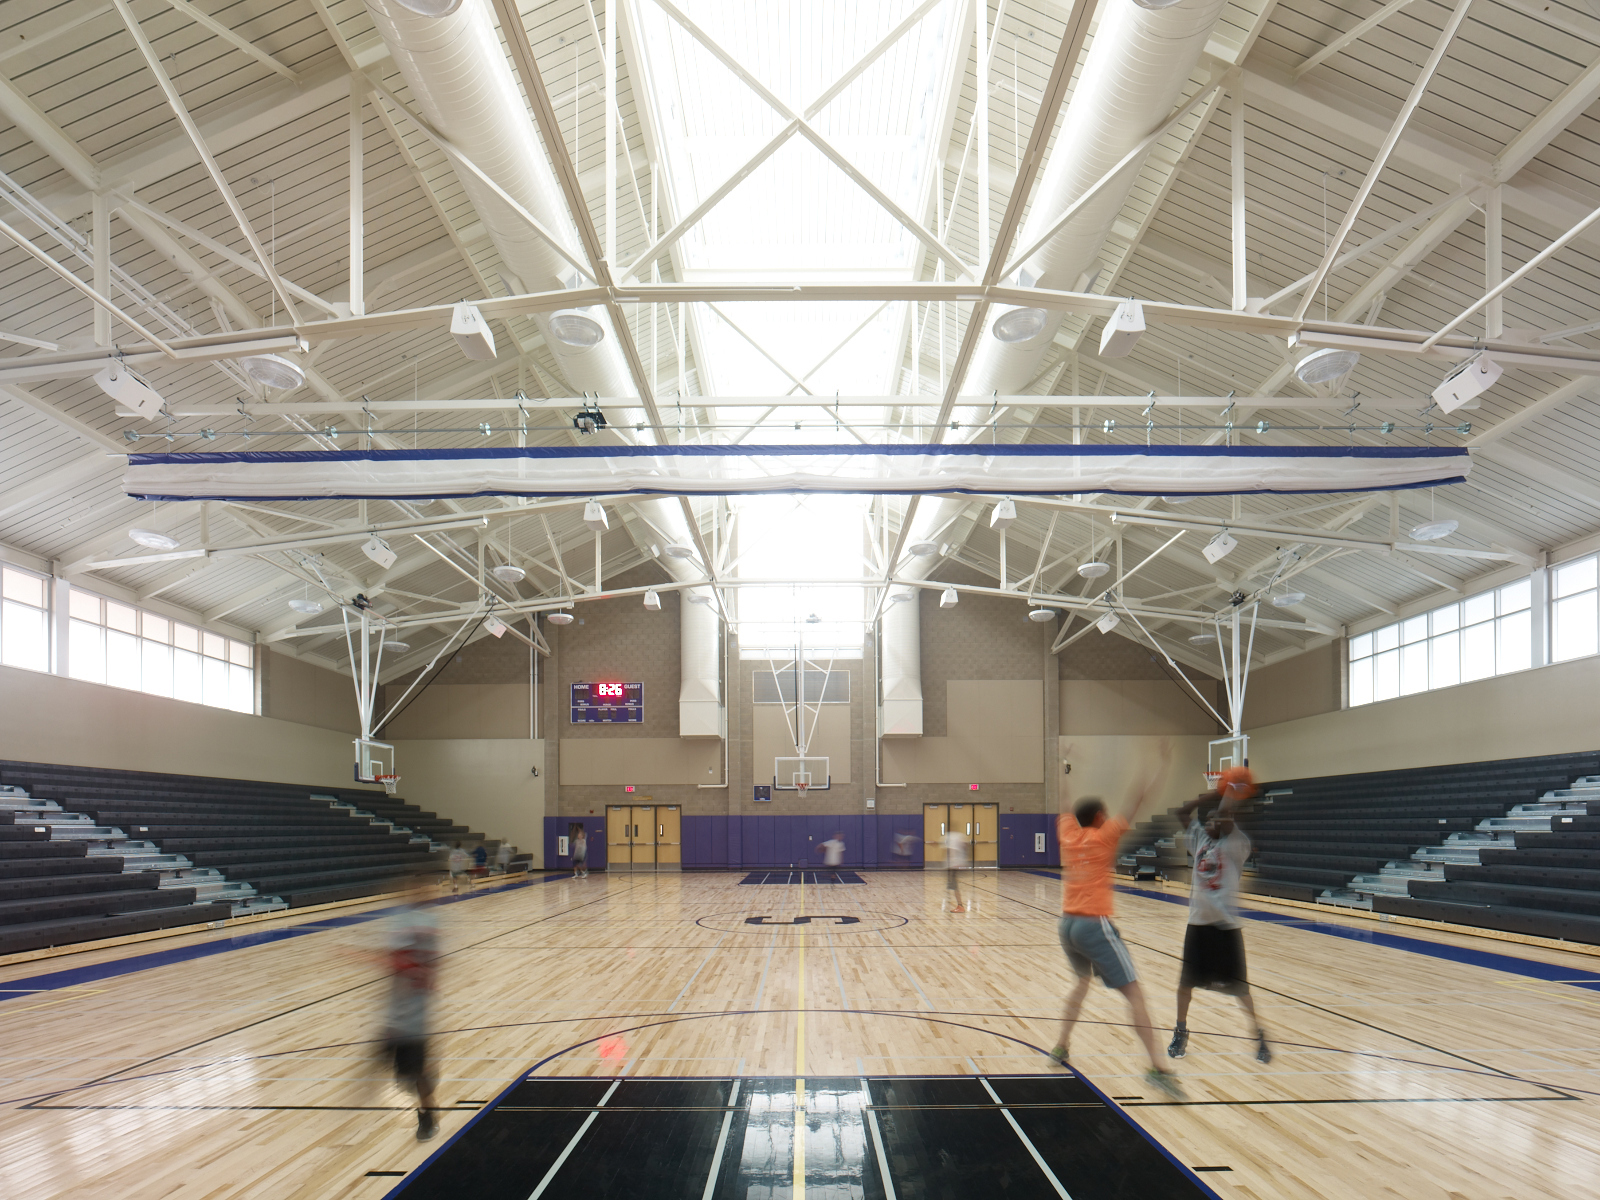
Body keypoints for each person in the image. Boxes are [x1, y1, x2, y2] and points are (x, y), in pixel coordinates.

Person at [1051, 741, 1185, 1100]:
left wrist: (1064, 763)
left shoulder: (1068, 835)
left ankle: (1061, 1045)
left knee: (1081, 983)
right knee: (1135, 994)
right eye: (1105, 812)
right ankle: (1158, 1068)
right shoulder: (1104, 837)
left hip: (1067, 925)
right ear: (1099, 817)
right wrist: (1156, 763)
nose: (1110, 814)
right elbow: (1137, 798)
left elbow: (1063, 802)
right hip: (1093, 924)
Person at [1168, 767, 1271, 1066]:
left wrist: (1229, 790)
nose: (1214, 821)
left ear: (1230, 821)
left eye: (1220, 819)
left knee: (1241, 989)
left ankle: (1258, 1035)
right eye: (1210, 819)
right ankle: (1181, 1031)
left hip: (1226, 927)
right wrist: (1213, 792)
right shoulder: (1199, 839)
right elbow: (1182, 812)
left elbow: (1226, 813)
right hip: (1198, 924)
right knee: (1185, 984)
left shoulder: (1237, 843)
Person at [381, 882, 441, 1141]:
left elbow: (433, 966)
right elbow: (393, 963)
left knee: (417, 1074)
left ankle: (428, 1115)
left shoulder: (429, 927)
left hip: (416, 1016)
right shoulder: (402, 923)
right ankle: (426, 1092)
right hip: (397, 1012)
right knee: (403, 1076)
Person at [944, 825, 969, 912]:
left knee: (955, 885)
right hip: (958, 863)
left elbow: (951, 850)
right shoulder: (960, 836)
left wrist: (951, 863)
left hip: (954, 865)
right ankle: (959, 905)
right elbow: (966, 846)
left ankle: (960, 906)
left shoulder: (950, 837)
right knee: (953, 885)